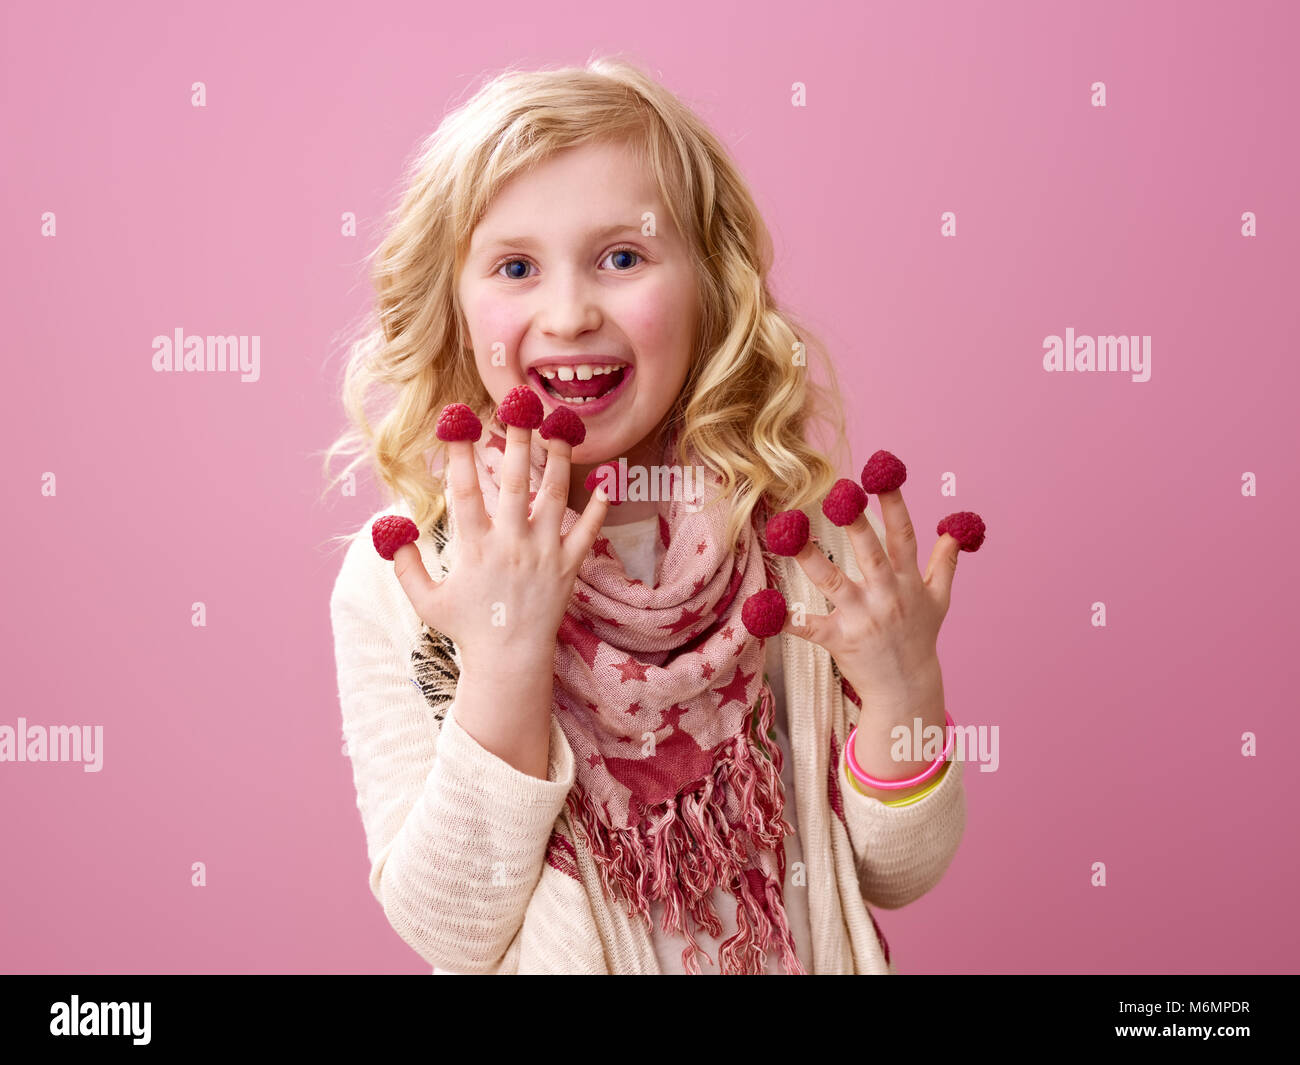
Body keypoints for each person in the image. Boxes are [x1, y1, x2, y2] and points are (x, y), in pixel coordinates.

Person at [324, 57, 970, 975]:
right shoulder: (411, 579)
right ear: (455, 306)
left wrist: (905, 688)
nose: (571, 310)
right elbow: (452, 927)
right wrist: (508, 651)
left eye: (622, 257)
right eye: (515, 266)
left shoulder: (793, 538)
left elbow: (899, 868)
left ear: (710, 283)